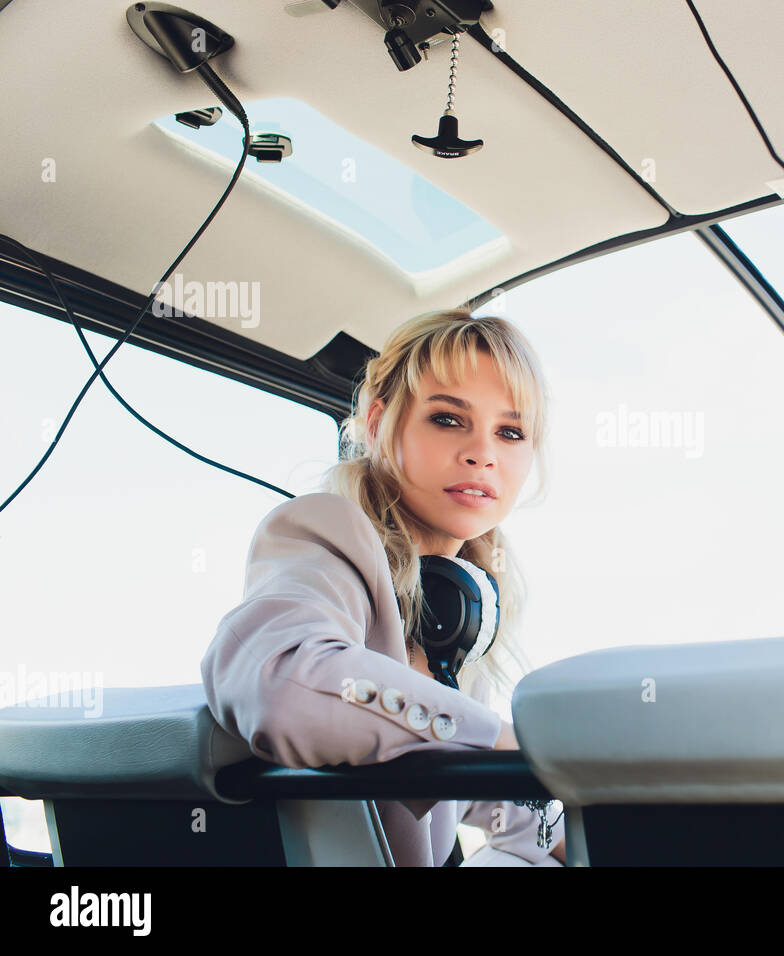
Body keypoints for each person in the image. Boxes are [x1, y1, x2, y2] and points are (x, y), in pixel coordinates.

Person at [200, 308, 565, 866]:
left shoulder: (455, 616)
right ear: (376, 425)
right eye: (447, 419)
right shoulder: (325, 531)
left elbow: (510, 812)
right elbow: (278, 682)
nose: (482, 452)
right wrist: (492, 739)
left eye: (510, 432)